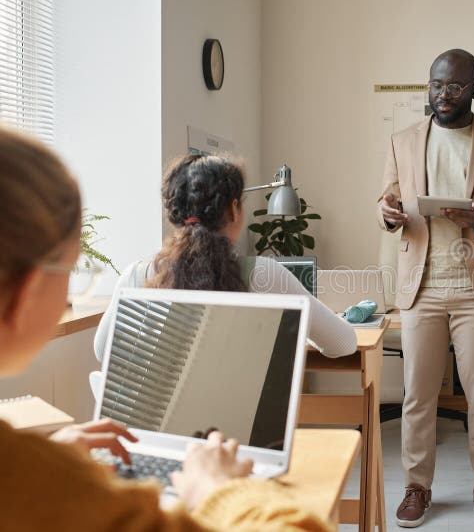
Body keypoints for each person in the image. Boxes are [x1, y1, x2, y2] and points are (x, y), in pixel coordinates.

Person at [0, 126, 332, 531]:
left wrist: (48, 456)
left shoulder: (27, 471)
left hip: (146, 443)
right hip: (228, 458)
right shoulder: (41, 483)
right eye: (75, 270)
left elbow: (106, 351)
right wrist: (220, 490)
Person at [377, 49, 474, 528]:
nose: (443, 95)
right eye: (435, 85)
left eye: (454, 87)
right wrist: (387, 213)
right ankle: (416, 488)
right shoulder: (403, 140)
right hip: (421, 284)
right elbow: (385, 201)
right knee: (418, 396)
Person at [93, 154, 356, 364]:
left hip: (160, 430)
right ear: (233, 209)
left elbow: (103, 352)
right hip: (239, 431)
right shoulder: (263, 275)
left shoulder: (137, 277)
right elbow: (344, 343)